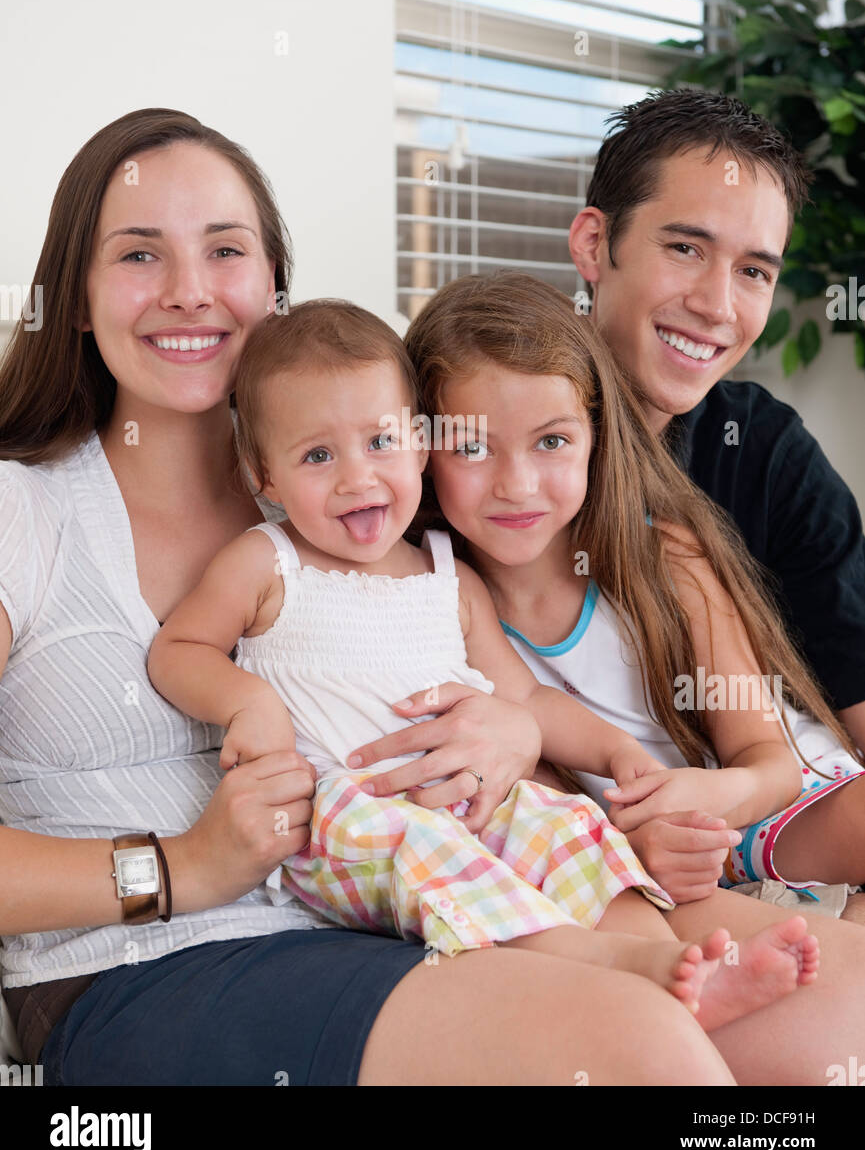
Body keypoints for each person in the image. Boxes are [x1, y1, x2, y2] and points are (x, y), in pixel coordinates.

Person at [0, 107, 736, 1088]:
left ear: (273, 286)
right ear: (78, 299)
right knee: (637, 1049)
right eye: (139, 254)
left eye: (225, 249)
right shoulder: (22, 508)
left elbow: (492, 683)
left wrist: (513, 734)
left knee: (822, 1014)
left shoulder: (363, 499)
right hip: (150, 963)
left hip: (386, 907)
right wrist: (178, 865)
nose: (188, 291)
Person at [145, 298, 818, 1031]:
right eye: (317, 456)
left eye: (380, 442)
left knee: (563, 824)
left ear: (418, 445)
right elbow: (177, 650)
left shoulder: (447, 578)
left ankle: (666, 966)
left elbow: (526, 699)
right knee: (428, 846)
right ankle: (616, 974)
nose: (356, 478)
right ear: (262, 475)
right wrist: (247, 702)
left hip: (465, 811)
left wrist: (616, 752)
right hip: (338, 822)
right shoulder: (265, 563)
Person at [339, 266, 865, 1085]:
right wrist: (645, 832)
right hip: (645, 861)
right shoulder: (436, 604)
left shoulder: (666, 556)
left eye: (551, 441)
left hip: (769, 805)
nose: (516, 485)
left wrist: (699, 801)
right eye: (472, 446)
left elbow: (769, 762)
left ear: (594, 438)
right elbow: (537, 814)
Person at [567, 89, 865, 776]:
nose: (715, 306)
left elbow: (852, 681)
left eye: (753, 271)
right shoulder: (483, 431)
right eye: (683, 247)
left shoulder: (762, 448)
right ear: (592, 244)